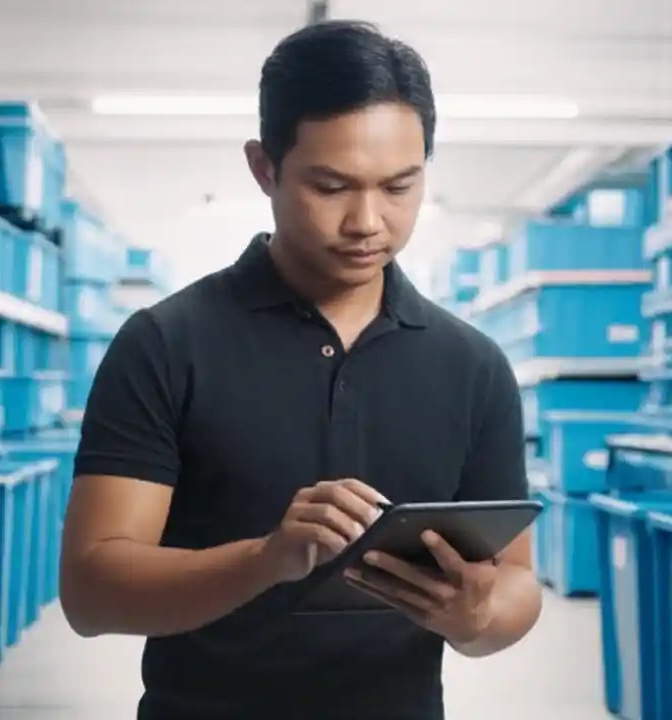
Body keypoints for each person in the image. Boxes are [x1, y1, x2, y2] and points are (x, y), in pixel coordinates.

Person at [60, 19, 542, 720]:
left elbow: (518, 584)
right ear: (264, 167)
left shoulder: (472, 365)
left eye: (399, 186)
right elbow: (91, 591)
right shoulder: (165, 344)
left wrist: (474, 616)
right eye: (331, 186)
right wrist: (266, 559)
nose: (368, 221)